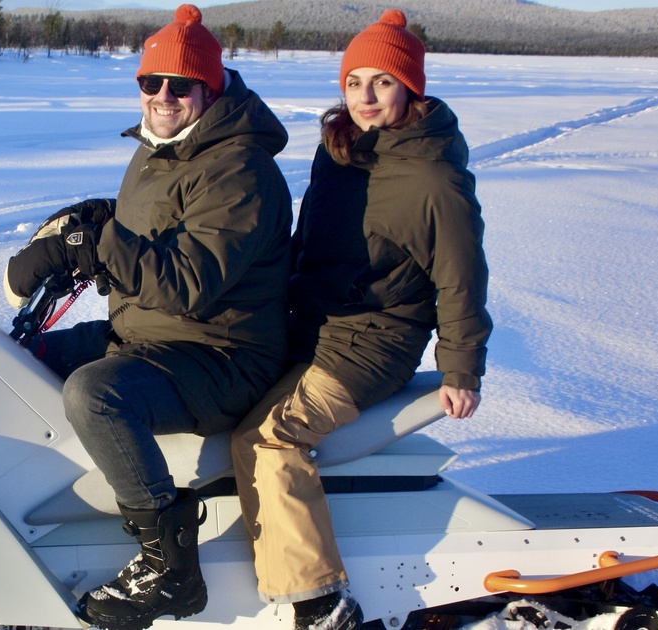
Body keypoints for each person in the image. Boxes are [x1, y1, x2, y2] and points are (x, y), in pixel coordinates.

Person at [2, 5, 294, 630]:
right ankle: (21, 507)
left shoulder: (240, 170)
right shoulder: (164, 149)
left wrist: (99, 241)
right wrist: (92, 220)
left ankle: (168, 565)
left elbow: (189, 281)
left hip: (221, 355)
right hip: (150, 334)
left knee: (95, 395)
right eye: (149, 82)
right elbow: (155, 224)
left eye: (180, 85)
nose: (162, 96)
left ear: (210, 90)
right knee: (18, 358)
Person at [230, 9, 493, 630]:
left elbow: (462, 277)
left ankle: (320, 601)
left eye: (382, 82)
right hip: (309, 321)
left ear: (410, 88)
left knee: (270, 436)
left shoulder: (434, 178)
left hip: (374, 341)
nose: (366, 98)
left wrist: (461, 368)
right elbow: (308, 240)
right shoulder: (340, 152)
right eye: (354, 83)